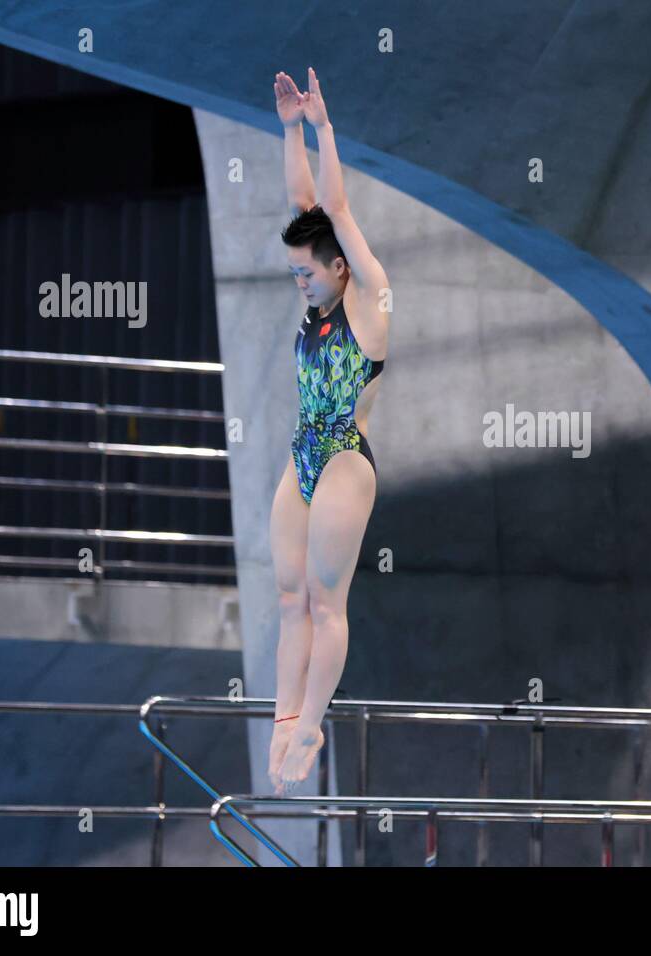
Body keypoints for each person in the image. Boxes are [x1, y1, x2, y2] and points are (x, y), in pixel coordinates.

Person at [268, 68, 389, 794]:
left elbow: (335, 206)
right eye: (292, 277)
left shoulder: (370, 300)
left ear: (340, 269)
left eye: (307, 277)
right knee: (288, 599)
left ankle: (313, 719)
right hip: (302, 453)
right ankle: (285, 719)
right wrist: (287, 130)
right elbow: (307, 206)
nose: (300, 286)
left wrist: (324, 128)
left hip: (346, 456)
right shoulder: (319, 288)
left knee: (323, 599)